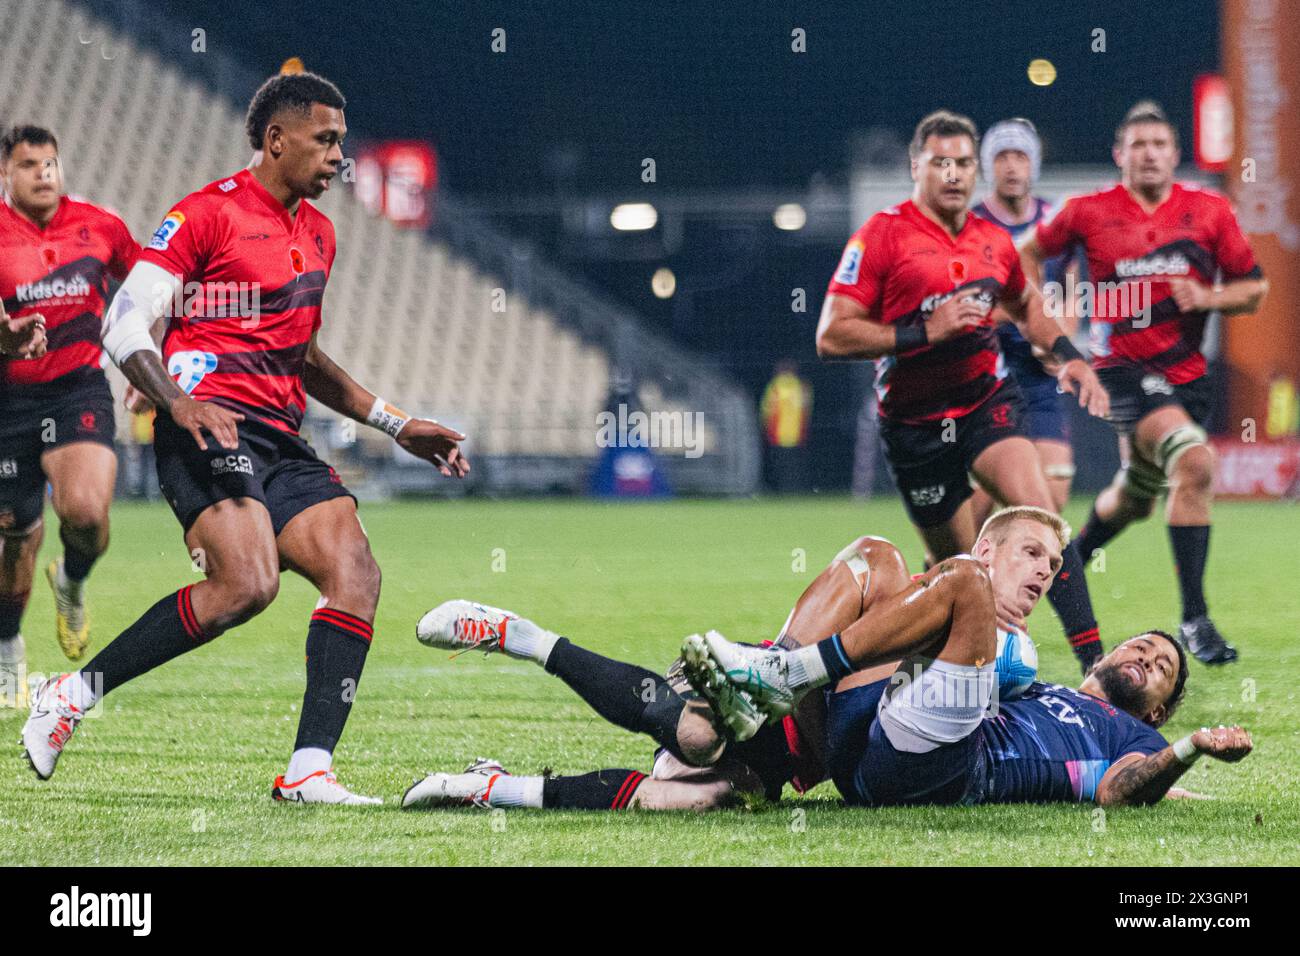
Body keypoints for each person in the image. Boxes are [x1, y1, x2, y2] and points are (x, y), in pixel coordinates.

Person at [20, 72, 469, 804]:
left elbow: (306, 359)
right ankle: (69, 696)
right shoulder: (205, 215)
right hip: (206, 419)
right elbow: (125, 320)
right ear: (275, 140)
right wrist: (176, 401)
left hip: (277, 432)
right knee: (248, 583)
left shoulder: (319, 233)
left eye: (341, 144)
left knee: (355, 573)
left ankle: (308, 771)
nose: (337, 158)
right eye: (325, 142)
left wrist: (394, 421)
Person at [401, 508, 1061, 811]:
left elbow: (1055, 715)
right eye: (1030, 552)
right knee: (878, 552)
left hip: (813, 742)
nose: (1043, 572)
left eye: (1054, 565)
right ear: (986, 550)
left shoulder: (1016, 656)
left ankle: (489, 785)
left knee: (711, 785)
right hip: (778, 693)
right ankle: (519, 638)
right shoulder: (922, 589)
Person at [817, 109, 1109, 673]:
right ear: (916, 167)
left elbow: (1028, 307)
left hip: (985, 403)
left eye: (963, 164)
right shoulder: (882, 235)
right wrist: (924, 331)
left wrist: (1070, 358)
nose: (953, 174)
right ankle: (908, 671)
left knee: (1042, 514)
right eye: (940, 162)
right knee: (961, 574)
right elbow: (832, 334)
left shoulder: (992, 240)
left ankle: (1095, 668)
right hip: (914, 427)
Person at [683, 524, 1252, 809]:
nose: (1144, 658)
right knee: (877, 554)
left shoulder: (1127, 735)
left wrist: (1186, 751)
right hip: (869, 741)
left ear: (1156, 710)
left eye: (1159, 669)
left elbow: (1121, 791)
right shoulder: (1031, 680)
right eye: (1140, 647)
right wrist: (964, 621)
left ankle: (777, 679)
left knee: (965, 580)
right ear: (1104, 655)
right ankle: (777, 671)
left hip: (945, 768)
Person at [1019, 101, 1268, 665]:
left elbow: (1253, 289)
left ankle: (1068, 560)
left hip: (1188, 376)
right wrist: (1042, 309)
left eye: (1159, 144)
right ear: (1119, 155)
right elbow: (1027, 255)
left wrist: (1207, 297)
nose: (1149, 154)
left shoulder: (1209, 211)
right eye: (1138, 145)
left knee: (1136, 498)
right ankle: (1196, 619)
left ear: (1175, 155)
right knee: (1195, 461)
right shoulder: (1087, 211)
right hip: (1122, 373)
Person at [1, 125, 141, 710]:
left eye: (51, 163)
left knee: (85, 514)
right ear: (7, 172)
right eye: (30, 164)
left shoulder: (100, 226)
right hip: (9, 400)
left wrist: (147, 363)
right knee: (13, 541)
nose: (43, 174)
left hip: (77, 388)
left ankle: (73, 580)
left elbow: (147, 290)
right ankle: (8, 650)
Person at [968, 119, 1081, 532]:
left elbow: (1072, 292)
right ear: (987, 166)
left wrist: (1058, 342)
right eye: (1001, 157)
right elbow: (967, 306)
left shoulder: (1056, 223)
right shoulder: (970, 224)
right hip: (987, 375)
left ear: (1033, 164)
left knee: (1051, 506)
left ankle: (999, 586)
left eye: (1020, 156)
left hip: (1038, 379)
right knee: (971, 513)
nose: (1012, 166)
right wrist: (1027, 319)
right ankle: (937, 586)